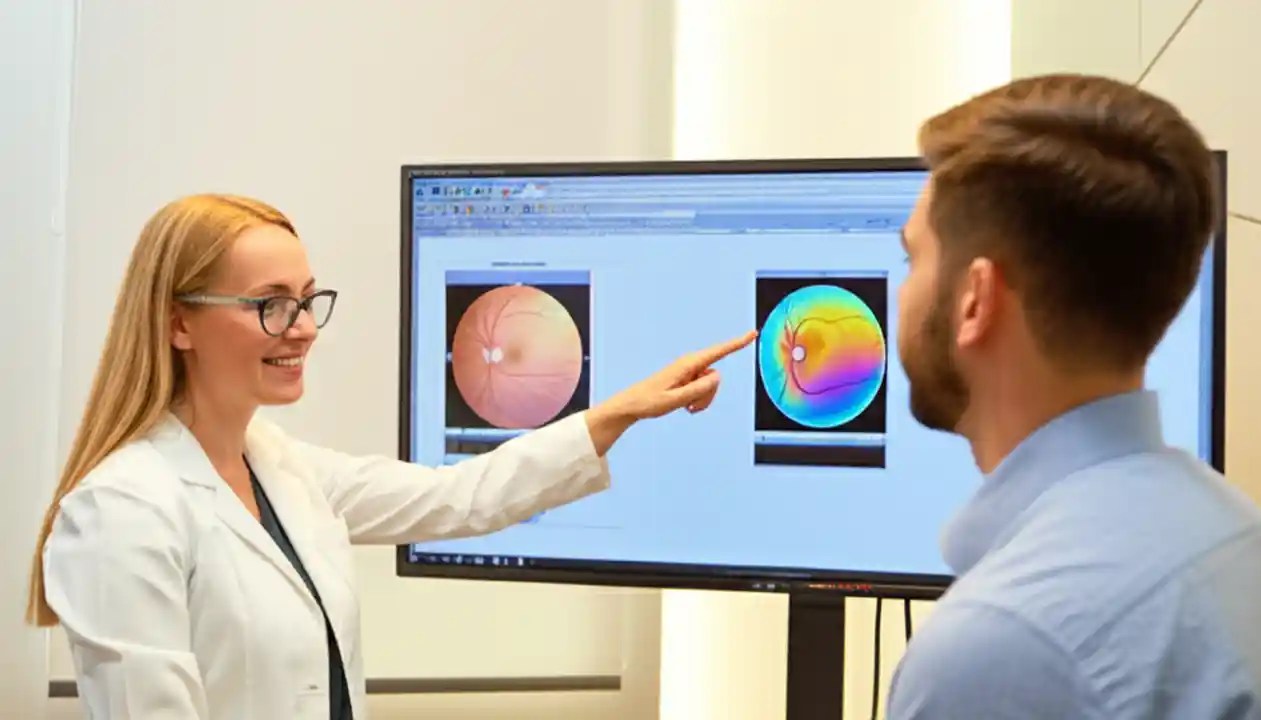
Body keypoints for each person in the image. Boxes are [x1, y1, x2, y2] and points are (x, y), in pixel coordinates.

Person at [27, 193, 756, 720]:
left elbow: (459, 497)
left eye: (309, 300)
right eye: (271, 304)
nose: (304, 328)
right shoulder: (120, 513)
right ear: (178, 322)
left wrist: (615, 414)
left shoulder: (279, 468)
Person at [885, 73, 1261, 719]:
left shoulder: (1002, 644)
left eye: (912, 261)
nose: (900, 294)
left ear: (974, 300)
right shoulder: (1253, 548)